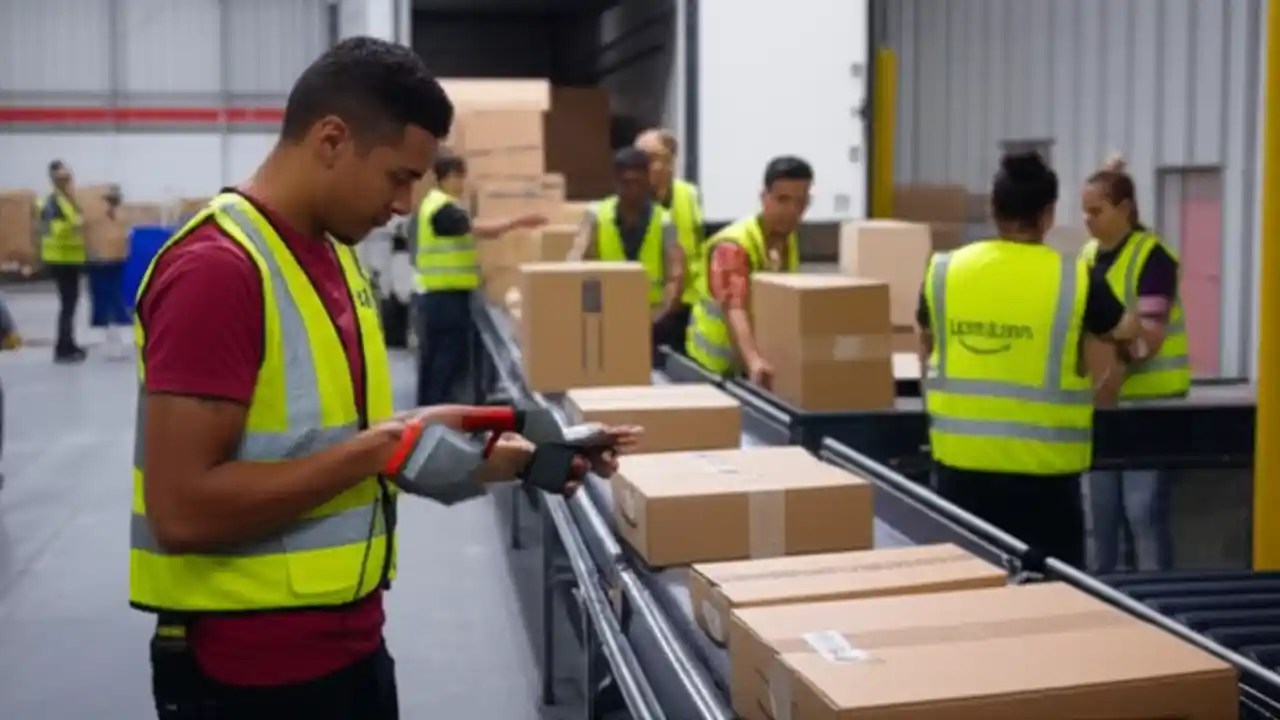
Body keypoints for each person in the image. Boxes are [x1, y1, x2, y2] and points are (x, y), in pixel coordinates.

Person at [130, 37, 635, 720]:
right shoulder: (219, 270)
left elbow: (354, 444)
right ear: (332, 140)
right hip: (253, 678)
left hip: (348, 647)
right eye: (398, 177)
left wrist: (523, 457)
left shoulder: (332, 259)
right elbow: (183, 510)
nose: (404, 205)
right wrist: (375, 450)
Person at [916, 152, 1160, 569]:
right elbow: (1126, 329)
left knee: (966, 596)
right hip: (1045, 480)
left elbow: (925, 340)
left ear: (994, 209)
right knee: (1050, 601)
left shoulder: (945, 270)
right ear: (1048, 215)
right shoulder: (1076, 278)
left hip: (960, 471)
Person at [1080, 154, 1186, 574]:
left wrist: (1117, 367)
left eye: (1096, 211)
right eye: (1084, 212)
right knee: (1100, 518)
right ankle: (1104, 599)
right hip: (1104, 409)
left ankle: (1159, 608)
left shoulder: (1153, 258)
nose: (1088, 221)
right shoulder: (1087, 257)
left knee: (1143, 513)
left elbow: (1152, 334)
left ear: (1124, 210)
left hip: (1150, 404)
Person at [409, 151, 546, 405]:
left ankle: (432, 411)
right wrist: (519, 222)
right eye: (460, 176)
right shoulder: (442, 208)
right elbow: (479, 229)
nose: (463, 182)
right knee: (446, 360)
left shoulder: (438, 204)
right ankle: (434, 413)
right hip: (445, 298)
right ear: (447, 177)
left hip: (444, 296)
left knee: (440, 359)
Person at [685, 156, 809, 386]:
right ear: (764, 197)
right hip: (714, 370)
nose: (791, 210)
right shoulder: (733, 245)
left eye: (799, 202)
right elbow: (735, 306)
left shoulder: (789, 240)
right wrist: (753, 361)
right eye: (782, 200)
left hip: (751, 368)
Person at [568, 147, 685, 364]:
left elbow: (675, 276)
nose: (633, 190)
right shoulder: (596, 215)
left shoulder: (665, 221)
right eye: (626, 183)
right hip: (607, 321)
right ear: (616, 182)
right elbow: (576, 263)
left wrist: (658, 315)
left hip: (652, 323)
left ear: (648, 180)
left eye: (639, 182)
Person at [634, 128, 705, 352]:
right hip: (645, 311)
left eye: (650, 158)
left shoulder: (691, 195)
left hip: (687, 307)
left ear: (671, 161)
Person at [39, 159, 87, 363]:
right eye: (62, 178)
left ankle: (69, 342)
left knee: (72, 303)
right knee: (67, 304)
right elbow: (55, 231)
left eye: (69, 177)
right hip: (59, 259)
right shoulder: (52, 203)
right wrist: (75, 224)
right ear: (54, 180)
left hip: (72, 258)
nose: (67, 181)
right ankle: (62, 348)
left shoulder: (68, 200)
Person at [86, 184, 131, 359]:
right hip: (99, 261)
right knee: (102, 298)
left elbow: (124, 236)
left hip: (115, 260)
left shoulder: (119, 215)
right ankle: (106, 336)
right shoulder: (96, 216)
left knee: (114, 296)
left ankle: (116, 335)